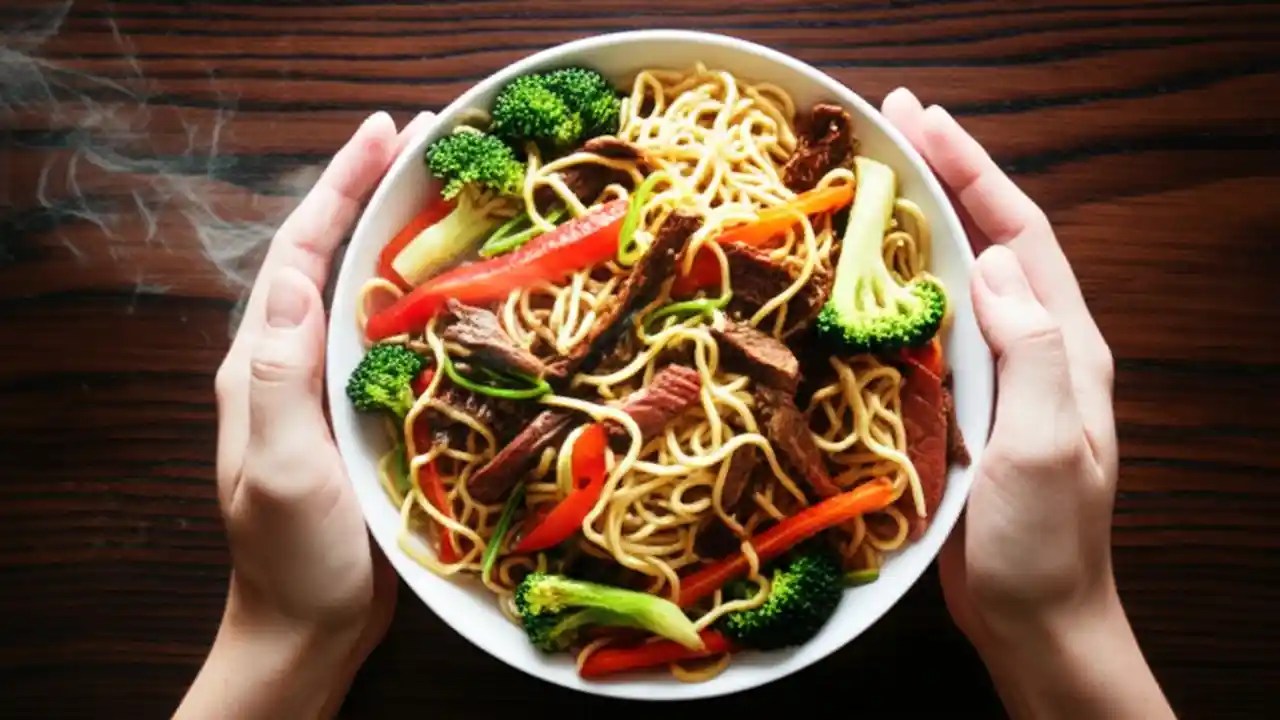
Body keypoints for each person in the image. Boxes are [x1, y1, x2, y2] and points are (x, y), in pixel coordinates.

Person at [174, 90, 1175, 719]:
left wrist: (290, 638)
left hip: (760, 435)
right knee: (582, 371)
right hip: (561, 410)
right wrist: (1055, 626)